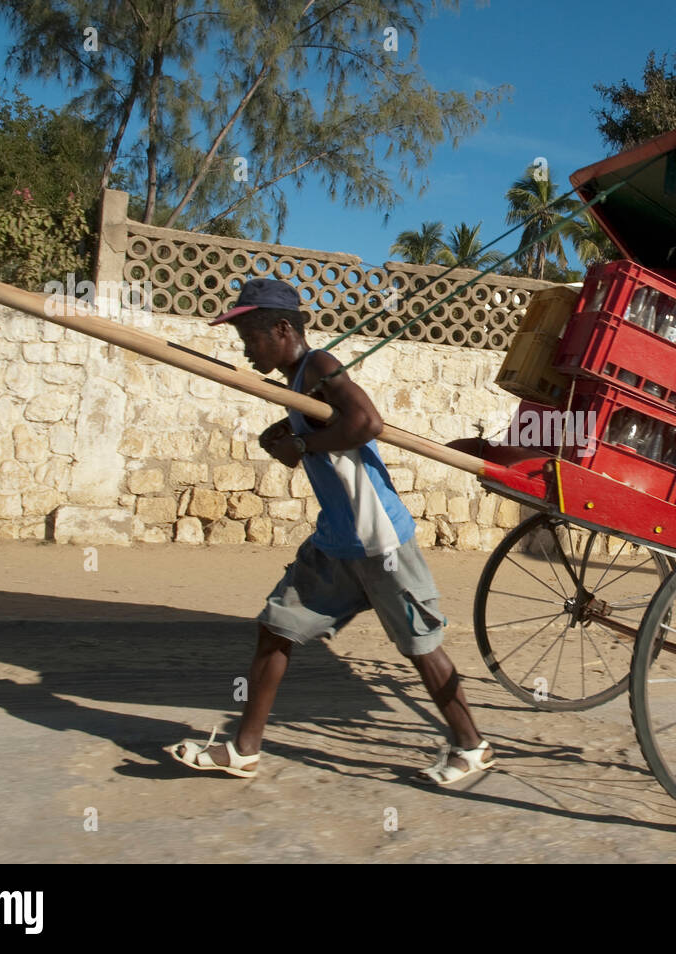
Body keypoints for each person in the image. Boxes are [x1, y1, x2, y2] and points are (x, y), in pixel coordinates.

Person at [167, 277, 494, 785]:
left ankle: (472, 747)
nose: (245, 349)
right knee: (275, 629)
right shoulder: (297, 383)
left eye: (250, 338)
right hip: (336, 541)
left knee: (420, 645)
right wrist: (291, 435)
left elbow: (365, 422)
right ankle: (244, 750)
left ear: (282, 329)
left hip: (378, 537)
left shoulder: (318, 365)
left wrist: (302, 446)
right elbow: (326, 436)